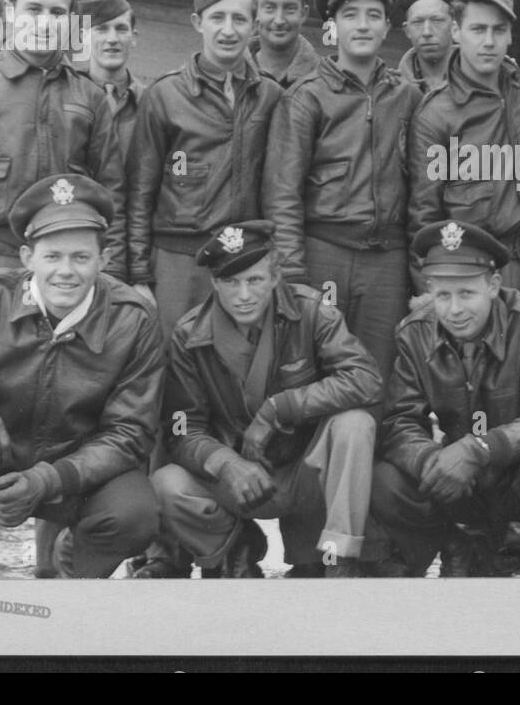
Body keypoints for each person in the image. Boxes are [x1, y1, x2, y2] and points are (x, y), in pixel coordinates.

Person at [0, 175, 163, 578]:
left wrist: (46, 480)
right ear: (28, 257)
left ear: (105, 258)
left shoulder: (134, 319)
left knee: (134, 514)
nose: (66, 271)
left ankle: (68, 588)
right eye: (52, 257)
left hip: (73, 471)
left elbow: (131, 433)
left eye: (81, 257)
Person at [151, 221, 383, 578]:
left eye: (255, 280)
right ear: (214, 284)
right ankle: (236, 547)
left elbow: (365, 380)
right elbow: (183, 430)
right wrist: (226, 463)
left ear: (276, 277)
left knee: (355, 424)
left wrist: (280, 408)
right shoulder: (189, 336)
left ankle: (339, 559)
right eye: (230, 282)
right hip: (238, 478)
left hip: (305, 470)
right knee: (168, 483)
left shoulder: (313, 312)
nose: (243, 294)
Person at [371, 221, 520, 576]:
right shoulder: (415, 333)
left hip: (518, 469)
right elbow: (399, 421)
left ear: (493, 285)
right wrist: (432, 461)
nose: (454, 309)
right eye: (443, 295)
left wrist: (481, 449)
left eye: (466, 293)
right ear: (429, 290)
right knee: (384, 480)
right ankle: (457, 547)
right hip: (456, 479)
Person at [262, 0, 420, 381]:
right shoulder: (307, 97)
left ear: (388, 26)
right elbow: (283, 192)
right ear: (333, 27)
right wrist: (293, 273)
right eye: (350, 15)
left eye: (374, 15)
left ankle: (365, 448)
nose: (363, 25)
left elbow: (423, 190)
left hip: (386, 260)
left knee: (376, 374)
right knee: (310, 370)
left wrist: (419, 270)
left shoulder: (408, 98)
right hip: (323, 253)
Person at [0, 0, 127, 295]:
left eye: (57, 13)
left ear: (71, 20)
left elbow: (111, 194)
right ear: (11, 12)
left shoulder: (90, 97)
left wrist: (111, 280)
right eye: (33, 10)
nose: (45, 23)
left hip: (65, 267)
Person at [127, 0, 284, 335]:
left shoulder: (271, 96)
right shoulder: (164, 95)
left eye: (239, 19)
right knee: (172, 365)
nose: (228, 30)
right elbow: (138, 193)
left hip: (242, 260)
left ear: (254, 26)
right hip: (178, 262)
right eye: (217, 18)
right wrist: (137, 273)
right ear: (198, 22)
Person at [407, 0, 520, 299]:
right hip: (469, 267)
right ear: (457, 33)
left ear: (511, 35)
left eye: (499, 30)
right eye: (477, 29)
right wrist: (430, 292)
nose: (489, 42)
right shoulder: (436, 114)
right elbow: (424, 214)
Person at [78, 0, 144, 160]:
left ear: (134, 38)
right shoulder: (66, 95)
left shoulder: (150, 102)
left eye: (121, 29)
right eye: (102, 29)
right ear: (83, 38)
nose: (112, 38)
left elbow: (176, 158)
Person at [250, 0, 321, 87]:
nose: (279, 20)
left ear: (303, 14)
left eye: (290, 9)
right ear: (255, 12)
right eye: (269, 8)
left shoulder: (324, 77)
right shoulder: (230, 70)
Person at [395, 0, 455, 90]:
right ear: (407, 30)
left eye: (437, 21)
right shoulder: (394, 88)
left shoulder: (479, 77)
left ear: (454, 26)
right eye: (418, 22)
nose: (427, 32)